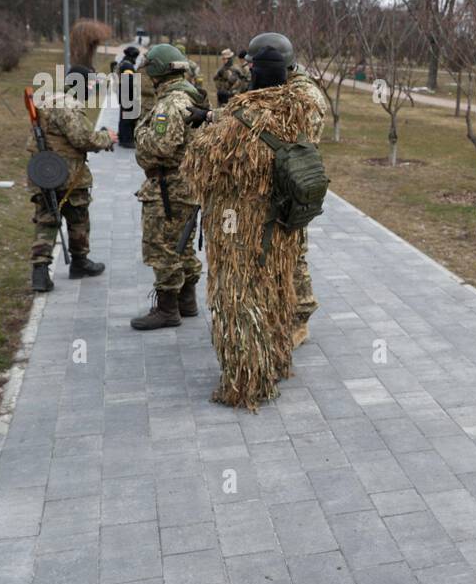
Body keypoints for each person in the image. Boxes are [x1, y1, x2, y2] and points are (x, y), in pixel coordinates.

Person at [181, 45, 322, 407]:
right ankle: (274, 361)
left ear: (255, 72)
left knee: (238, 302)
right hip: (281, 227)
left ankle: (247, 384)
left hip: (240, 229)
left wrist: (200, 132)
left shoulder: (243, 116)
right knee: (276, 292)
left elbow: (199, 167)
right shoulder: (299, 109)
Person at [244, 31, 329, 348]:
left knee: (295, 251)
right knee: (284, 249)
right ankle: (283, 309)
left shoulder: (305, 96)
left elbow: (291, 137)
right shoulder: (287, 87)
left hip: (295, 183)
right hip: (282, 180)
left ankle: (300, 318)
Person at [130, 44, 209, 330]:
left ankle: (167, 310)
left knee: (161, 246)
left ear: (157, 72)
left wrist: (140, 134)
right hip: (186, 186)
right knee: (182, 245)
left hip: (168, 187)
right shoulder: (191, 96)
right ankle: (187, 302)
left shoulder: (169, 104)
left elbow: (161, 146)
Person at [27, 66, 116, 292]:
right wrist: (107, 137)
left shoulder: (49, 100)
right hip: (68, 174)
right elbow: (83, 139)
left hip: (45, 172)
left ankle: (40, 272)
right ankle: (79, 262)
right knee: (78, 218)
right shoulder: (68, 105)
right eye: (92, 86)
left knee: (46, 220)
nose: (93, 91)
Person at [116, 45, 141, 148]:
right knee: (127, 118)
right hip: (127, 95)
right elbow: (129, 82)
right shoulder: (128, 66)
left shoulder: (123, 63)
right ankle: (126, 140)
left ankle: (122, 137)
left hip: (123, 94)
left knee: (124, 116)